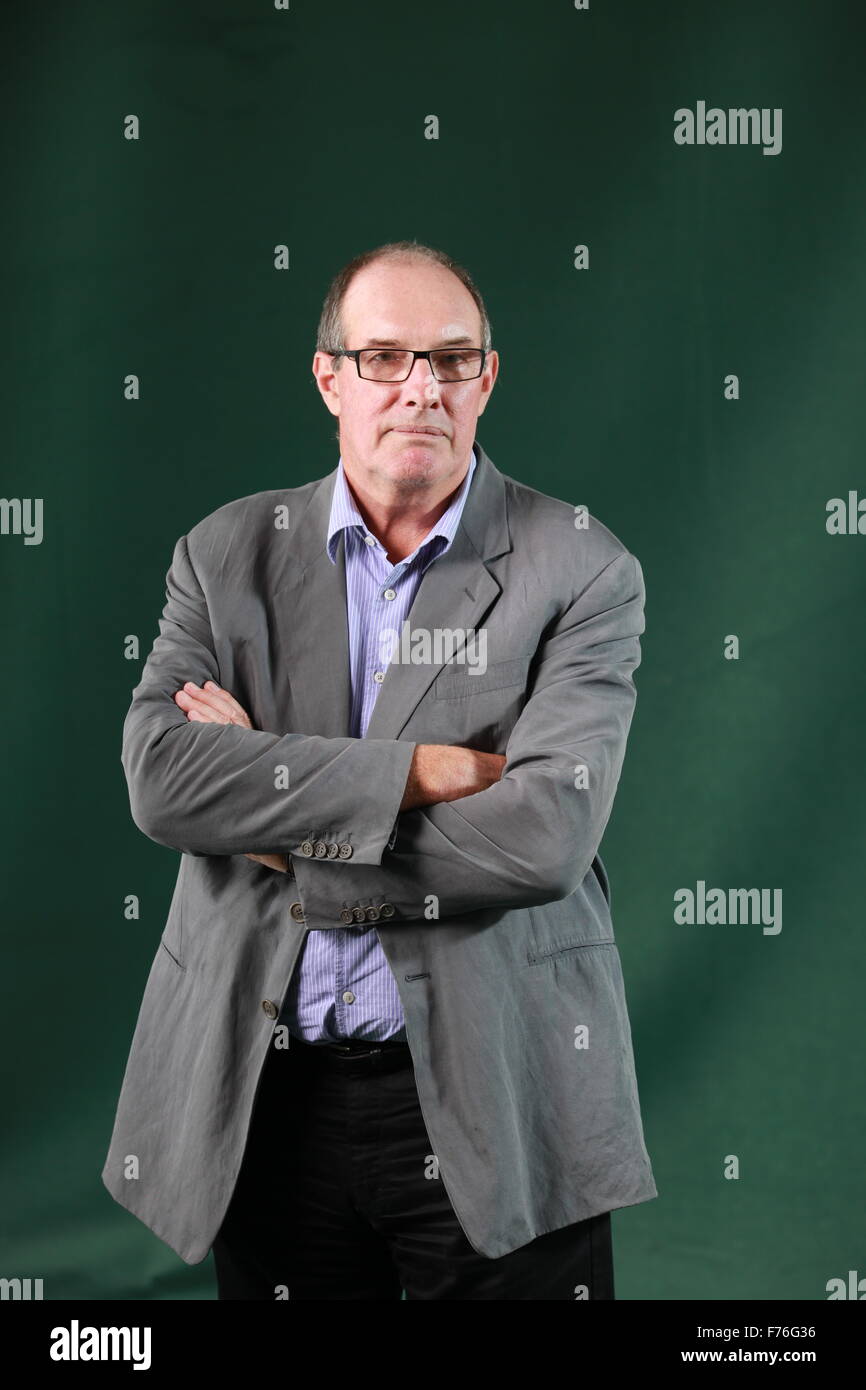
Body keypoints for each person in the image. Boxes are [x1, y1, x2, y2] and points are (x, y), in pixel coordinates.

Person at [101, 239, 657, 1300]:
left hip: (500, 1086)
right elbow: (164, 780)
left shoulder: (583, 567)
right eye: (383, 356)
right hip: (265, 1095)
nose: (419, 387)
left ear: (485, 378)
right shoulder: (224, 554)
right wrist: (415, 772)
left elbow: (540, 840)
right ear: (329, 378)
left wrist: (267, 824)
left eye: (451, 360)